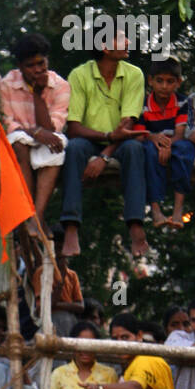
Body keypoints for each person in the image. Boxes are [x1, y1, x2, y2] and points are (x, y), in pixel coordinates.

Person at [60, 32, 148, 258]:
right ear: (105, 47)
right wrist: (107, 137)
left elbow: (128, 124)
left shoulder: (134, 74)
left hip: (122, 141)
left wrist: (105, 156)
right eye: (121, 38)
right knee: (74, 148)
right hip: (89, 139)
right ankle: (71, 225)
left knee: (135, 149)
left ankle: (136, 223)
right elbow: (73, 127)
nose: (128, 42)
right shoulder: (79, 75)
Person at [0, 32, 71, 231]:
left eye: (41, 64)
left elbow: (52, 129)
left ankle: (37, 217)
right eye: (31, 66)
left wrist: (38, 94)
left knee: (57, 147)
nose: (38, 70)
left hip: (45, 139)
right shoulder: (7, 84)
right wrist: (34, 132)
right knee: (20, 142)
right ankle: (26, 211)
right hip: (20, 139)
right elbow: (6, 122)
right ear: (20, 67)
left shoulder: (60, 86)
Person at [133, 57, 195, 229]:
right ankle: (155, 209)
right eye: (159, 81)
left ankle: (178, 209)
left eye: (170, 82)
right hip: (150, 143)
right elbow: (139, 135)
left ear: (178, 83)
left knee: (185, 149)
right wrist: (154, 139)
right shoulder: (142, 104)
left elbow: (180, 133)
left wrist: (168, 145)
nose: (164, 86)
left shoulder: (183, 102)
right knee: (148, 153)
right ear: (151, 81)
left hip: (175, 142)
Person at [97, 313, 177, 389]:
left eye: (125, 337)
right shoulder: (132, 363)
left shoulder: (146, 359)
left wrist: (99, 388)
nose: (120, 344)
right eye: (115, 339)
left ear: (139, 336)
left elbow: (135, 388)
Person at [30, 225, 84, 335]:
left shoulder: (72, 275)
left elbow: (80, 306)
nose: (59, 253)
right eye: (56, 249)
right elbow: (43, 308)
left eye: (61, 249)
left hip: (69, 322)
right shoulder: (41, 273)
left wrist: (56, 304)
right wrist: (60, 282)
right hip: (50, 322)